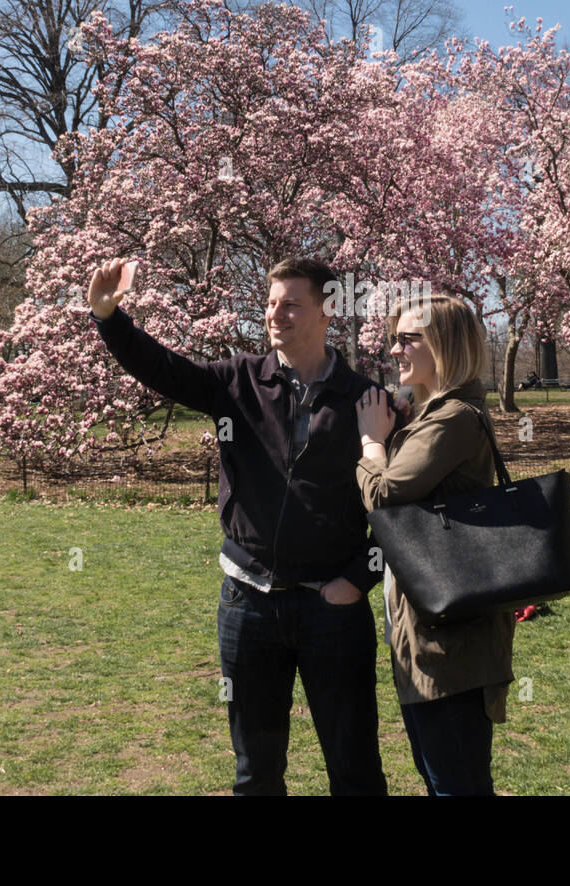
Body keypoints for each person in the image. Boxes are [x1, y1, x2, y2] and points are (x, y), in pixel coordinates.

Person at [88, 256, 386, 796]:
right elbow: (162, 368)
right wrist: (111, 319)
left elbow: (398, 511)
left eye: (292, 304)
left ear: (328, 311)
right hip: (247, 604)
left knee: (355, 769)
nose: (277, 315)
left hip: (332, 610)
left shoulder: (366, 400)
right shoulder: (236, 380)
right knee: (255, 772)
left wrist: (359, 580)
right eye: (271, 304)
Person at [355, 293, 514, 796]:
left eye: (408, 340)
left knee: (456, 783)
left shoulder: (453, 419)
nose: (395, 351)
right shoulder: (432, 416)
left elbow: (383, 495)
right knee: (440, 775)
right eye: (394, 339)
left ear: (443, 345)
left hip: (450, 643)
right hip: (426, 633)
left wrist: (370, 441)